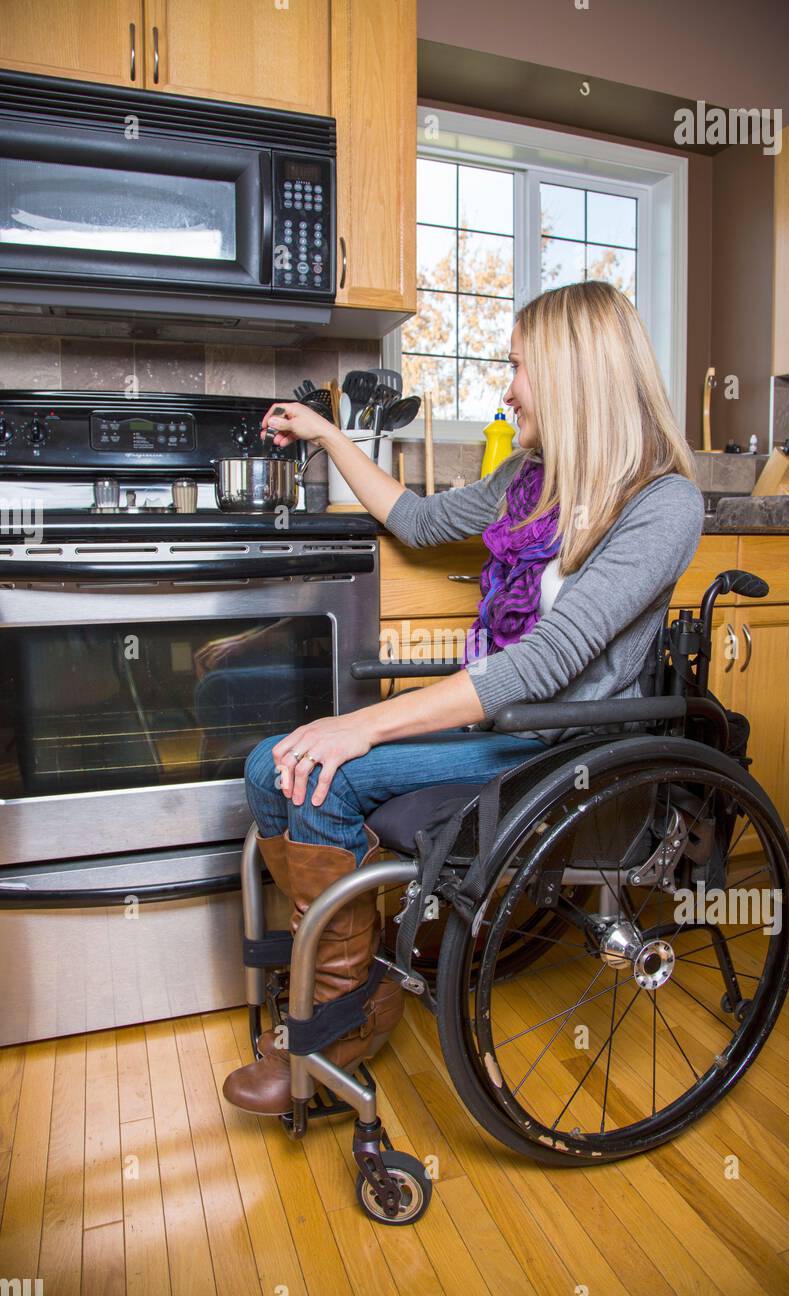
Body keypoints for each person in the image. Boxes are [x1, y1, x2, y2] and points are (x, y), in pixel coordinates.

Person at [222, 280, 705, 1115]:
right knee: (277, 768)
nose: (506, 387)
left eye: (518, 368)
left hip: (560, 742)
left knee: (306, 767)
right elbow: (414, 519)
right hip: (505, 717)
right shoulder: (531, 479)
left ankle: (336, 1025)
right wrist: (330, 436)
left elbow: (544, 663)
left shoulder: (662, 504)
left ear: (573, 375)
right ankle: (346, 987)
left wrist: (361, 726)